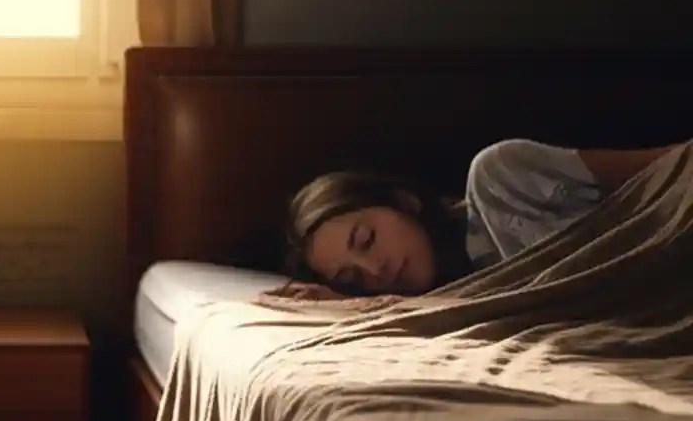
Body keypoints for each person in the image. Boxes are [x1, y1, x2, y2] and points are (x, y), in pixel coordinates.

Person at [267, 138, 684, 301]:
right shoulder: (453, 305)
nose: (376, 270)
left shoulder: (499, 179)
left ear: (402, 201)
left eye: (367, 240)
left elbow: (664, 169)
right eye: (354, 280)